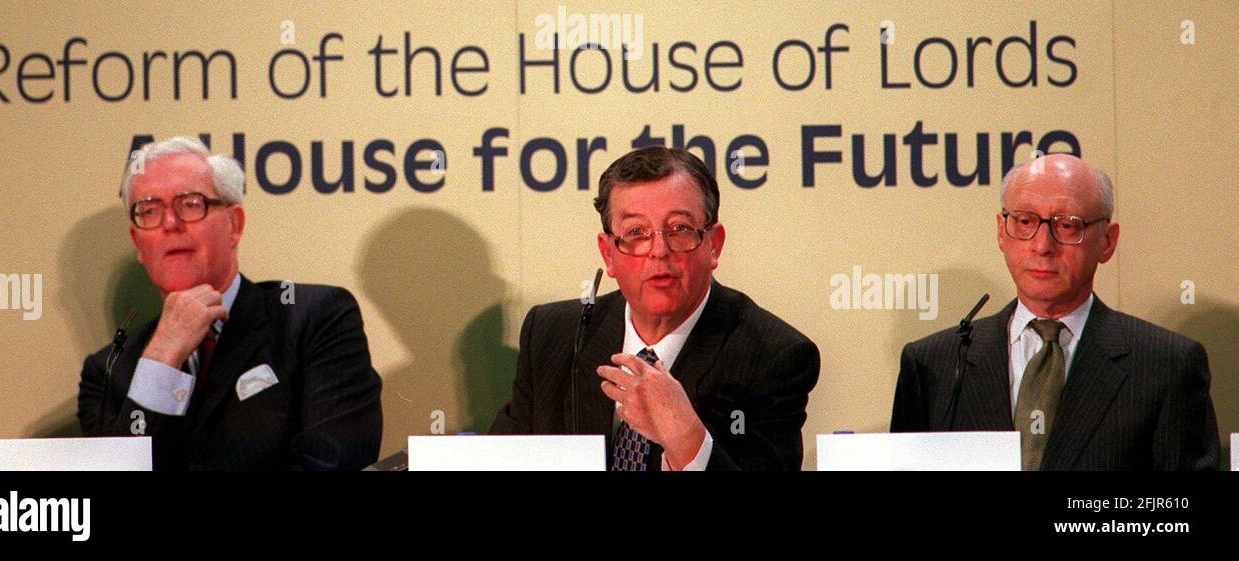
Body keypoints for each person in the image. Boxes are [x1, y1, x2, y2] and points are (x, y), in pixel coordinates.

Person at [491, 146, 820, 470]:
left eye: (679, 228)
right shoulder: (552, 335)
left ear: (714, 245)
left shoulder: (773, 356)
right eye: (636, 232)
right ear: (608, 255)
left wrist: (687, 438)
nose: (659, 251)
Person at [890, 153, 1219, 470]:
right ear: (1001, 231)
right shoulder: (934, 365)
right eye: (1025, 221)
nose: (1042, 245)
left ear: (1107, 241)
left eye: (1067, 225)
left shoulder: (1166, 366)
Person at [78, 137, 382, 469]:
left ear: (234, 225)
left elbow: (334, 463)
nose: (169, 224)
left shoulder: (315, 319)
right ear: (138, 243)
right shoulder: (108, 373)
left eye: (191, 204)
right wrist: (162, 357)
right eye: (149, 211)